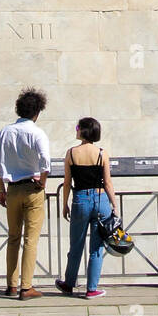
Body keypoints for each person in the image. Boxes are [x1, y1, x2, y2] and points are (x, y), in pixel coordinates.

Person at [0, 88, 51, 300]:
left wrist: (1, 190)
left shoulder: (5, 131)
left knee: (13, 237)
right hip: (33, 187)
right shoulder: (37, 133)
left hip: (12, 189)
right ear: (37, 111)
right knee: (31, 239)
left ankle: (11, 285)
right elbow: (46, 163)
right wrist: (42, 183)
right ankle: (27, 287)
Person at [55, 116, 118, 299]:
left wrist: (64, 203)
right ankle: (92, 288)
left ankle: (69, 283)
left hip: (80, 199)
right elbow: (107, 183)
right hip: (100, 200)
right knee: (96, 247)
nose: (75, 130)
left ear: (83, 130)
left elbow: (67, 183)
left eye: (77, 127)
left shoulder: (71, 153)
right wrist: (114, 204)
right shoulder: (101, 153)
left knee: (76, 244)